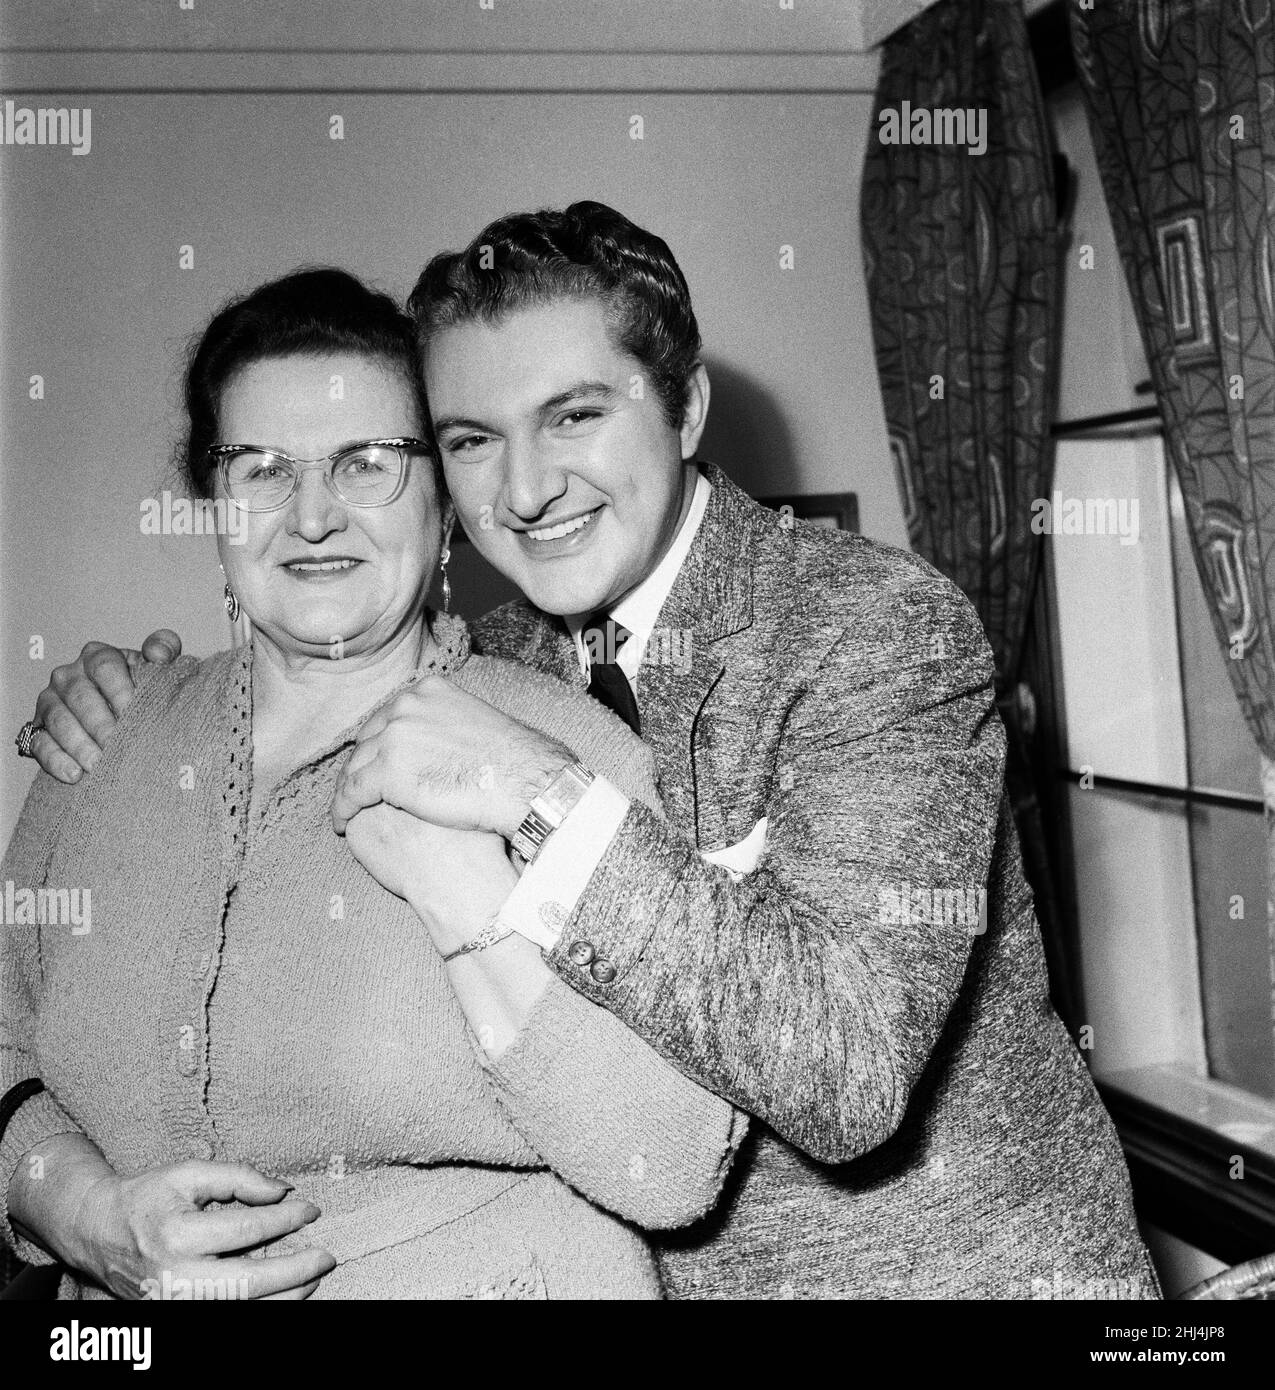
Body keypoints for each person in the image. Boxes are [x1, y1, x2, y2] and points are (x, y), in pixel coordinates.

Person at [20, 204, 1161, 1300]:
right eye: (474, 438)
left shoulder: (873, 628)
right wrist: (135, 699)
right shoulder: (505, 648)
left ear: (688, 409)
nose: (527, 489)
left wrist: (537, 794)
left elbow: (846, 1066)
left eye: (575, 416)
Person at [0, 266, 742, 1301]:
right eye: (260, 467)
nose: (311, 516)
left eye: (365, 464)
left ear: (444, 503)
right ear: (211, 505)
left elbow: (670, 1158)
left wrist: (469, 901)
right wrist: (79, 1213)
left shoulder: (570, 755)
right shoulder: (98, 741)